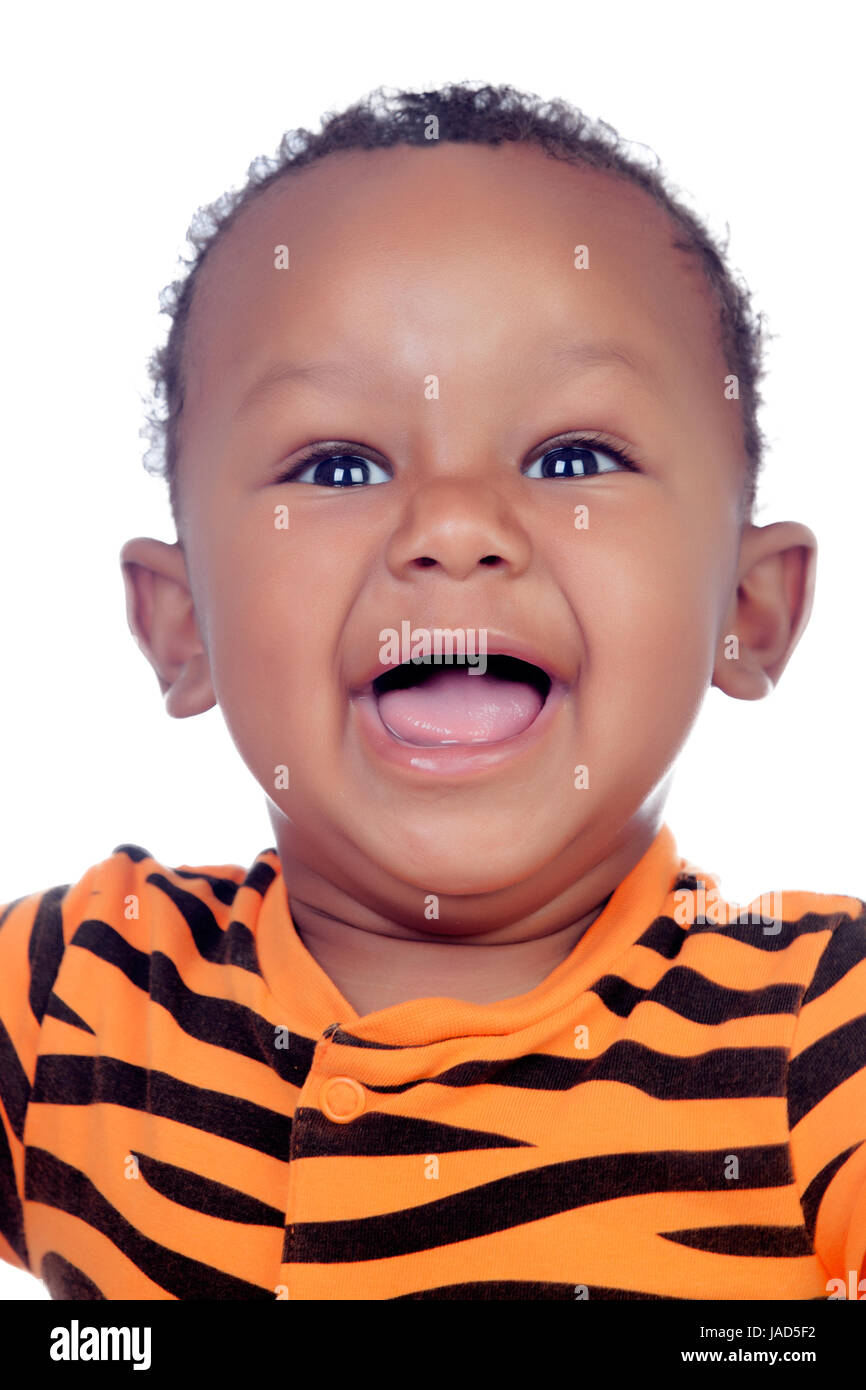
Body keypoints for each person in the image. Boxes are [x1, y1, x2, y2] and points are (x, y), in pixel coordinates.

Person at [2, 80, 864, 1301]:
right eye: (338, 464)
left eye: (572, 457)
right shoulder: (77, 994)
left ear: (748, 607)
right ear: (181, 624)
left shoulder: (818, 1037)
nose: (454, 526)